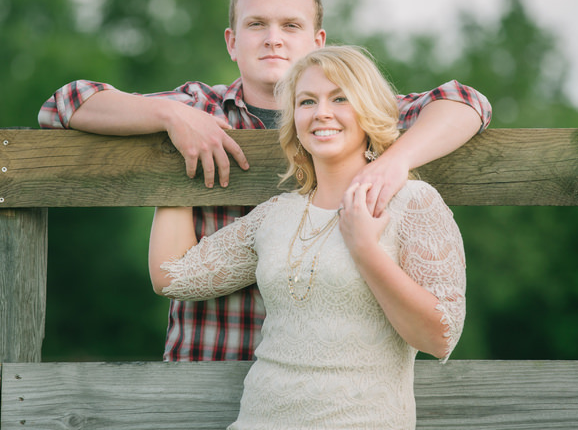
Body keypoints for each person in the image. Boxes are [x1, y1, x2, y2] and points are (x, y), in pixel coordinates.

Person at [39, 0, 489, 361]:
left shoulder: (353, 111)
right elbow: (65, 104)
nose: (273, 38)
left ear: (317, 42)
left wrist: (396, 161)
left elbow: (467, 102)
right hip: (207, 355)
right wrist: (168, 115)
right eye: (257, 24)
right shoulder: (199, 106)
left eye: (290, 25)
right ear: (232, 42)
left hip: (327, 369)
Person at [148, 46, 466, 429]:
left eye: (340, 98)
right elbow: (172, 276)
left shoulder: (412, 203)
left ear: (369, 111)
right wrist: (174, 168)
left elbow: (440, 337)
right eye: (307, 101)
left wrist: (365, 249)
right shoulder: (276, 214)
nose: (322, 113)